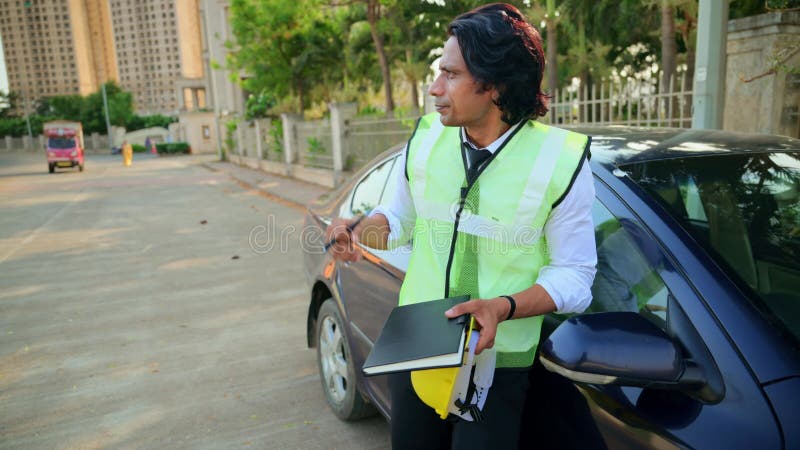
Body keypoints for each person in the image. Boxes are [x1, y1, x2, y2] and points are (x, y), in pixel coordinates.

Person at [325, 3, 596, 449]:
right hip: (417, 343)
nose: (435, 88)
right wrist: (358, 232)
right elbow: (396, 219)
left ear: (494, 84)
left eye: (450, 74)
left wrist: (502, 307)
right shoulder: (427, 137)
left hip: (498, 360)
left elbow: (576, 275)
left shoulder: (560, 160)